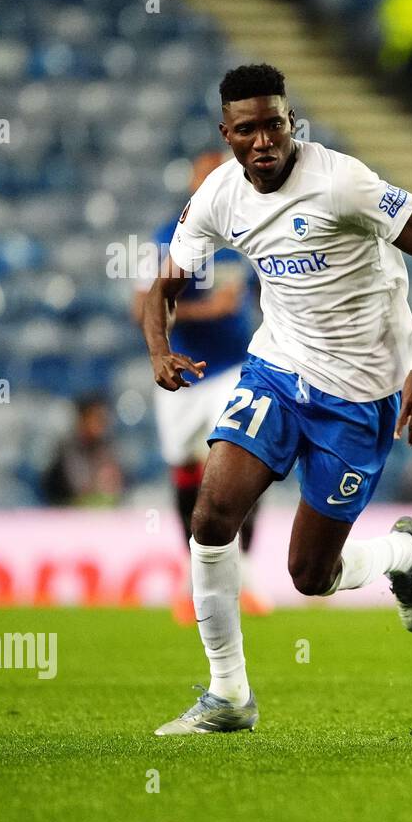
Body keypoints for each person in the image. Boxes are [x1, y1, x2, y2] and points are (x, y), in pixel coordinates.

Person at [142, 64, 412, 735]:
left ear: (292, 124)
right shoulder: (218, 197)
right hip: (278, 370)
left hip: (363, 393)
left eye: (276, 125)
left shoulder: (343, 182)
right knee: (211, 515)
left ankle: (401, 555)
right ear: (227, 133)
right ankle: (228, 696)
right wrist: (158, 350)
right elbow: (162, 288)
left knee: (310, 576)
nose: (265, 141)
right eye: (248, 129)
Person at [132, 150, 271, 623]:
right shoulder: (164, 239)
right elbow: (142, 307)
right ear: (194, 183)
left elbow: (270, 293)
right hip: (182, 372)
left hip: (233, 368)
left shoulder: (248, 232)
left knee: (236, 464)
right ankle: (197, 574)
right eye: (205, 176)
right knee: (186, 473)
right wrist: (205, 312)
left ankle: (243, 574)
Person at [41, 395, 125, 507]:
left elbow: (117, 485)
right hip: (68, 514)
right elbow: (79, 486)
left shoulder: (107, 446)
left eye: (104, 419)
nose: (102, 424)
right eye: (97, 418)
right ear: (82, 419)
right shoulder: (67, 449)